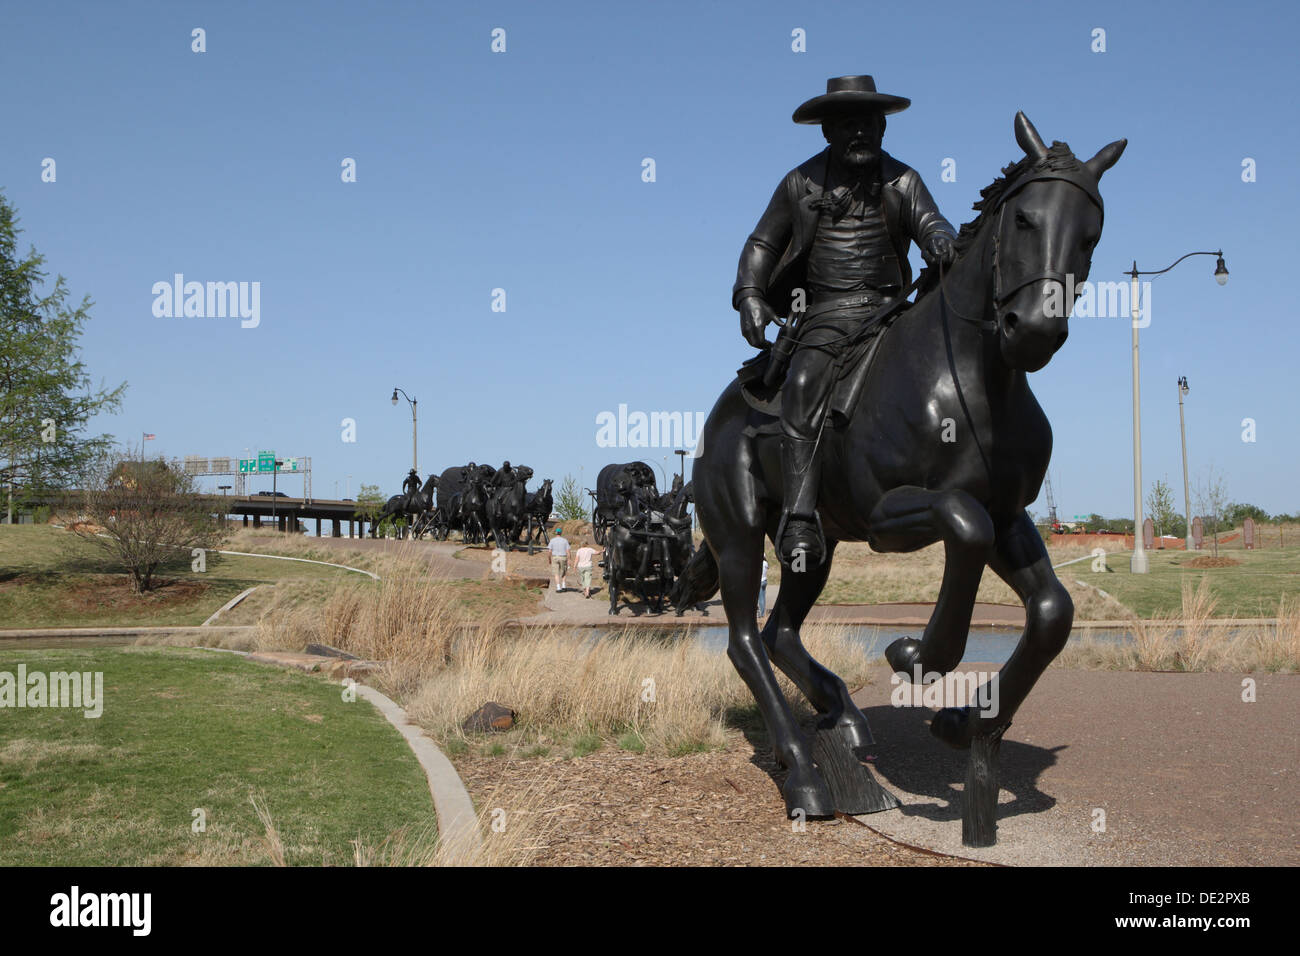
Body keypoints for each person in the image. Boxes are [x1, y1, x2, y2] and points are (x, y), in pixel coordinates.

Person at [734, 75, 957, 571]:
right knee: (806, 381)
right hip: (826, 315)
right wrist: (750, 293)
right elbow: (763, 244)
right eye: (848, 124)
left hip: (890, 311)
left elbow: (930, 222)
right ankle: (798, 516)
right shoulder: (799, 182)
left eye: (869, 123)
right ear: (828, 132)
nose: (860, 132)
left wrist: (941, 239)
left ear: (882, 126)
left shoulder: (904, 180)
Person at [547, 526, 571, 592]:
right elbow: (568, 551)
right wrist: (569, 559)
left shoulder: (552, 540)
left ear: (556, 533)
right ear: (561, 533)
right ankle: (563, 585)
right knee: (564, 572)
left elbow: (549, 551)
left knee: (556, 573)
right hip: (563, 557)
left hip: (555, 557)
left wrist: (549, 559)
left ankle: (558, 587)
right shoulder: (565, 540)